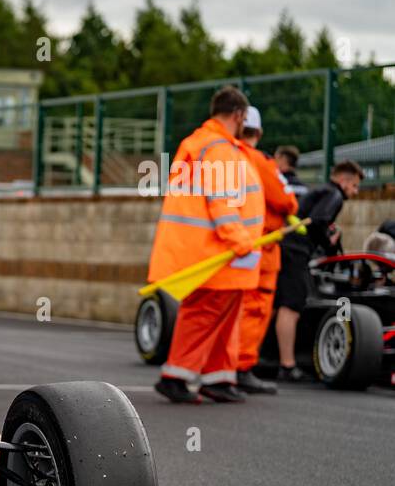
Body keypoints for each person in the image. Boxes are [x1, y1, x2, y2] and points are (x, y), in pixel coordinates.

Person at [149, 85, 265, 404]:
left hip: (212, 252)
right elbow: (222, 202)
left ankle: (218, 378)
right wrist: (242, 242)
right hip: (220, 252)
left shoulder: (199, 143)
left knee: (224, 318)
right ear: (239, 115)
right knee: (204, 315)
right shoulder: (218, 148)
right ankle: (176, 376)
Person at [272, 159, 364, 381]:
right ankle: (287, 365)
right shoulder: (334, 195)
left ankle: (256, 357)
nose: (356, 191)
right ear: (343, 180)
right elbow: (318, 222)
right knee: (292, 304)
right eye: (354, 186)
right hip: (295, 250)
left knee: (275, 304)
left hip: (284, 246)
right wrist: (329, 241)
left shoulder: (320, 190)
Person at [233, 106, 297, 395]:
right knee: (256, 308)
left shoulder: (223, 157)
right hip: (260, 247)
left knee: (232, 307)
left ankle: (221, 367)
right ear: (258, 132)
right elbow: (286, 200)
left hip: (230, 242)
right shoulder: (259, 161)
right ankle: (241, 368)